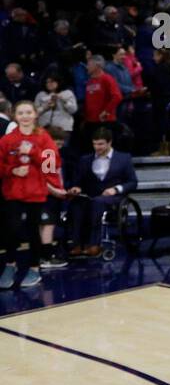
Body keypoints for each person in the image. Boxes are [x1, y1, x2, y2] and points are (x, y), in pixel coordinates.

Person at [0, 100, 64, 289]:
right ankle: (10, 265)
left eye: (28, 112)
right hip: (13, 193)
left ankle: (34, 268)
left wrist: (34, 152)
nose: (25, 116)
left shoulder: (44, 138)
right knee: (11, 229)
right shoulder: (7, 140)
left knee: (32, 231)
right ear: (15, 116)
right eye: (21, 113)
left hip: (36, 193)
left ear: (35, 115)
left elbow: (51, 166)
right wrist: (12, 171)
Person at [65, 127, 138, 258]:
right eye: (94, 144)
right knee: (77, 203)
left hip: (113, 198)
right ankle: (77, 243)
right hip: (90, 196)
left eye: (100, 144)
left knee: (98, 202)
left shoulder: (124, 158)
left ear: (109, 143)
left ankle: (94, 243)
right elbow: (77, 181)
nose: (97, 147)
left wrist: (115, 189)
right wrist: (76, 187)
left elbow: (133, 182)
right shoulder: (85, 160)